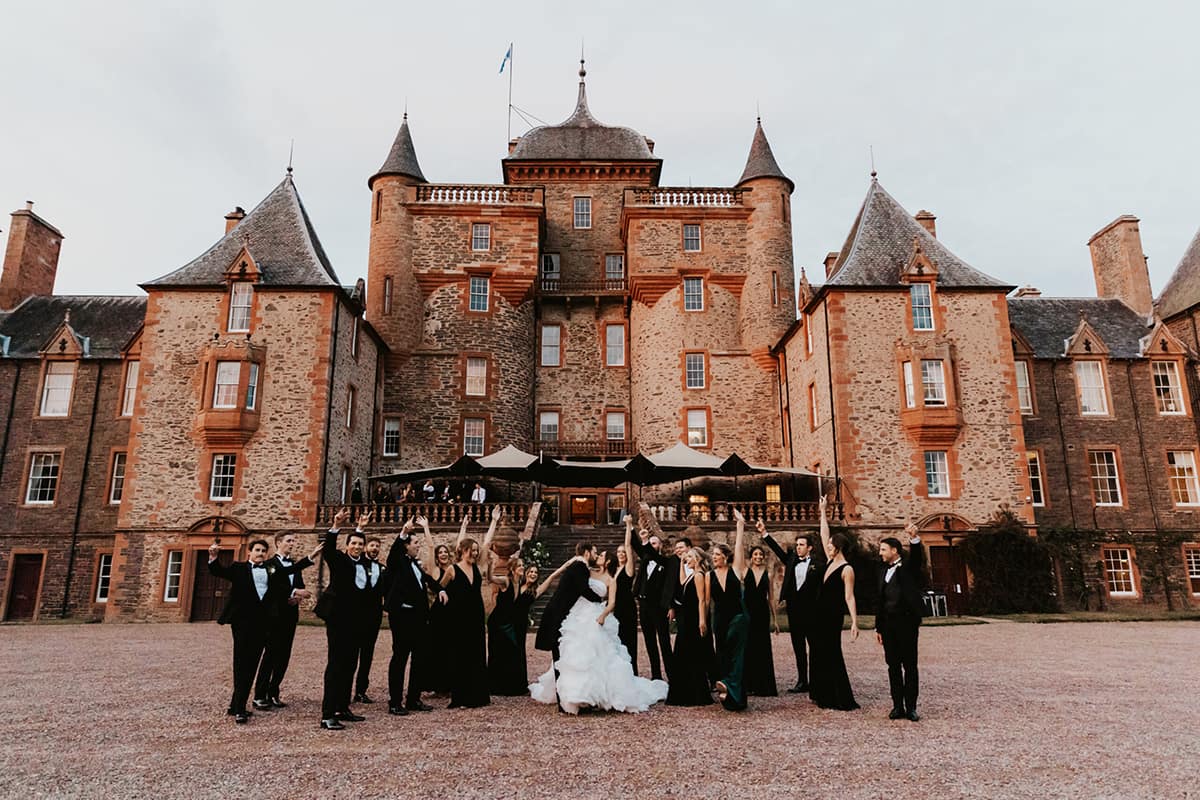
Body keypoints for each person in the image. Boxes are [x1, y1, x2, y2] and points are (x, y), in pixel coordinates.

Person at [530, 547, 668, 714]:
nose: (598, 556)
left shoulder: (611, 579)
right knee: (574, 651)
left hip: (596, 614)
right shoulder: (587, 571)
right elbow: (579, 587)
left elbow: (611, 603)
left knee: (598, 652)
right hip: (578, 613)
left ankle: (597, 694)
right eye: (597, 553)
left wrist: (603, 615)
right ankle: (576, 693)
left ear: (607, 561)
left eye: (601, 555)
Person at [207, 537, 313, 723]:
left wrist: (310, 558)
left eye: (263, 551)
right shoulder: (238, 568)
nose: (261, 554)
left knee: (253, 664)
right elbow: (218, 571)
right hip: (242, 623)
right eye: (257, 550)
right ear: (250, 552)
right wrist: (213, 556)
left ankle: (235, 705)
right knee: (242, 664)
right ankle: (240, 708)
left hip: (263, 623)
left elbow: (289, 572)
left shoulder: (271, 569)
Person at [533, 542, 606, 713]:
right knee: (560, 660)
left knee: (562, 657)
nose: (595, 556)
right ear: (587, 552)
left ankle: (567, 700)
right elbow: (583, 590)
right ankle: (564, 702)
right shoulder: (580, 566)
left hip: (557, 613)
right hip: (557, 616)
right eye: (594, 552)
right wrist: (600, 600)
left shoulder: (576, 566)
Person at [438, 507, 500, 708]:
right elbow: (440, 587)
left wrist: (493, 521)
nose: (474, 553)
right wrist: (443, 593)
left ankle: (477, 696)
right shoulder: (452, 569)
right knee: (460, 656)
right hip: (458, 618)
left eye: (475, 551)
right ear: (462, 551)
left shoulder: (477, 566)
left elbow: (487, 543)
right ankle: (460, 697)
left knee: (477, 654)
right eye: (470, 550)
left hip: (475, 616)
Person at [319, 508, 375, 730]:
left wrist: (361, 528)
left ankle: (342, 707)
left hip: (356, 620)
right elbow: (328, 550)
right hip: (337, 619)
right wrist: (335, 525)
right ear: (346, 546)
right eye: (353, 544)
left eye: (360, 545)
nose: (357, 547)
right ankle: (327, 714)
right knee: (336, 665)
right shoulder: (339, 560)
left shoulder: (364, 564)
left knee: (351, 664)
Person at [384, 515, 446, 716]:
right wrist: (403, 533)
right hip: (402, 616)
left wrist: (441, 589)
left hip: (419, 617)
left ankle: (413, 698)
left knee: (420, 658)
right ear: (406, 546)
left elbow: (427, 579)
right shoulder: (398, 561)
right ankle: (394, 702)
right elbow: (393, 552)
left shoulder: (414, 564)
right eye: (415, 543)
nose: (418, 546)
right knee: (400, 657)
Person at [807, 496, 860, 711]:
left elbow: (849, 596)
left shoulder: (847, 569)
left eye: (830, 545)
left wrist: (855, 622)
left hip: (832, 616)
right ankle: (821, 693)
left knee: (831, 652)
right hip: (818, 614)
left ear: (838, 547)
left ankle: (837, 695)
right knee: (817, 651)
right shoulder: (830, 561)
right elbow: (824, 533)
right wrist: (822, 511)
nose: (827, 546)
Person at [252, 531, 315, 710]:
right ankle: (259, 695)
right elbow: (274, 585)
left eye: (293, 541)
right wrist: (292, 592)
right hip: (274, 615)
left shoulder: (294, 565)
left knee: (284, 656)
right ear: (278, 542)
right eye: (289, 541)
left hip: (290, 615)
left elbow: (299, 585)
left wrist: (298, 597)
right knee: (270, 655)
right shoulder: (270, 564)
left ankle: (274, 692)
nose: (292, 544)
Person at [760, 519, 824, 693]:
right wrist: (765, 533)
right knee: (798, 647)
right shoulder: (791, 560)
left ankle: (817, 681)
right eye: (797, 545)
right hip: (794, 611)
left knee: (815, 646)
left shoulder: (818, 564)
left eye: (802, 545)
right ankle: (802, 681)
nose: (798, 547)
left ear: (810, 547)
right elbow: (778, 551)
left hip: (812, 612)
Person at [877, 523, 926, 721]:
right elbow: (879, 602)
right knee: (893, 666)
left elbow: (916, 560)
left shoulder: (907, 569)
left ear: (894, 551)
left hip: (906, 624)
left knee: (910, 666)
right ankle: (897, 705)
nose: (880, 553)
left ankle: (911, 707)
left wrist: (914, 538)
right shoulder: (882, 571)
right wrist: (878, 627)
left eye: (883, 549)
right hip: (888, 626)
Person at [710, 511, 751, 711]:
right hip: (719, 620)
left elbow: (738, 547)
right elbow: (704, 600)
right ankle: (727, 690)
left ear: (726, 557)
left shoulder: (736, 569)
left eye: (717, 555)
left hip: (738, 618)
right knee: (723, 656)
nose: (714, 557)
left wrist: (740, 525)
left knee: (738, 657)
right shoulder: (710, 575)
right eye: (713, 555)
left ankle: (737, 695)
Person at [666, 547, 713, 706]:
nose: (688, 559)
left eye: (691, 557)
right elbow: (681, 581)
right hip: (685, 618)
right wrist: (681, 562)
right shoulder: (691, 575)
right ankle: (684, 692)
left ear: (698, 559)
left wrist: (702, 621)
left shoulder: (699, 576)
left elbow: (702, 600)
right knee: (682, 653)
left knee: (692, 654)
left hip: (693, 619)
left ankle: (696, 694)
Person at [630, 524, 672, 681]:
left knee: (664, 641)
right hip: (644, 605)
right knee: (649, 641)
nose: (651, 545)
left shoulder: (665, 562)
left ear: (660, 546)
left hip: (659, 607)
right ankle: (656, 676)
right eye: (651, 543)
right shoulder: (645, 560)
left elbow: (650, 553)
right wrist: (629, 527)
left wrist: (646, 540)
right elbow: (637, 547)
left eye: (655, 543)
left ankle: (671, 674)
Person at [741, 541, 778, 696]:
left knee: (762, 646)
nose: (758, 557)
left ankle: (764, 685)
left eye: (760, 555)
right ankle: (749, 685)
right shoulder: (745, 571)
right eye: (755, 554)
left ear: (763, 558)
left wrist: (775, 620)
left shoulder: (768, 574)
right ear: (751, 557)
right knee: (748, 646)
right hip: (748, 612)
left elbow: (771, 598)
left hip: (762, 613)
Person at [352, 536, 385, 704]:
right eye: (372, 545)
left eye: (377, 546)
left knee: (367, 654)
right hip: (357, 614)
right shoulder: (358, 565)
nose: (374, 548)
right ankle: (345, 690)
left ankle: (361, 691)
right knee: (351, 654)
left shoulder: (382, 568)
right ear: (366, 548)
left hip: (374, 616)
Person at [422, 538, 456, 694]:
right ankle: (437, 685)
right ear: (436, 557)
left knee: (451, 648)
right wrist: (427, 527)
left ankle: (449, 684)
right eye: (440, 552)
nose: (443, 554)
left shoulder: (454, 569)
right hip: (438, 612)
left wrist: (464, 526)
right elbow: (430, 546)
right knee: (437, 648)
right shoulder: (435, 570)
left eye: (445, 552)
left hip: (452, 611)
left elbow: (459, 545)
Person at [613, 519, 639, 675]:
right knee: (617, 641)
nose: (621, 554)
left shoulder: (629, 568)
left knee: (628, 640)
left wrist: (628, 526)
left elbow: (629, 546)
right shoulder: (615, 569)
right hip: (616, 607)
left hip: (627, 607)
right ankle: (619, 673)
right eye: (619, 552)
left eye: (623, 552)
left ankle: (631, 672)